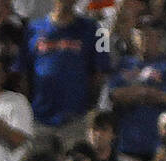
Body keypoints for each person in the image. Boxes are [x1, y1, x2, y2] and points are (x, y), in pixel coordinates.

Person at [17, 0, 108, 144]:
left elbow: (100, 72)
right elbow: (23, 72)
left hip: (76, 118)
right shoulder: (33, 28)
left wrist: (90, 108)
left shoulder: (93, 28)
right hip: (39, 117)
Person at [106, 17, 166, 161]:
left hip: (157, 143)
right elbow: (114, 95)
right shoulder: (124, 64)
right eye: (140, 35)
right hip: (127, 142)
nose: (145, 39)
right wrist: (147, 92)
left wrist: (134, 93)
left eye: (149, 35)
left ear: (159, 37)